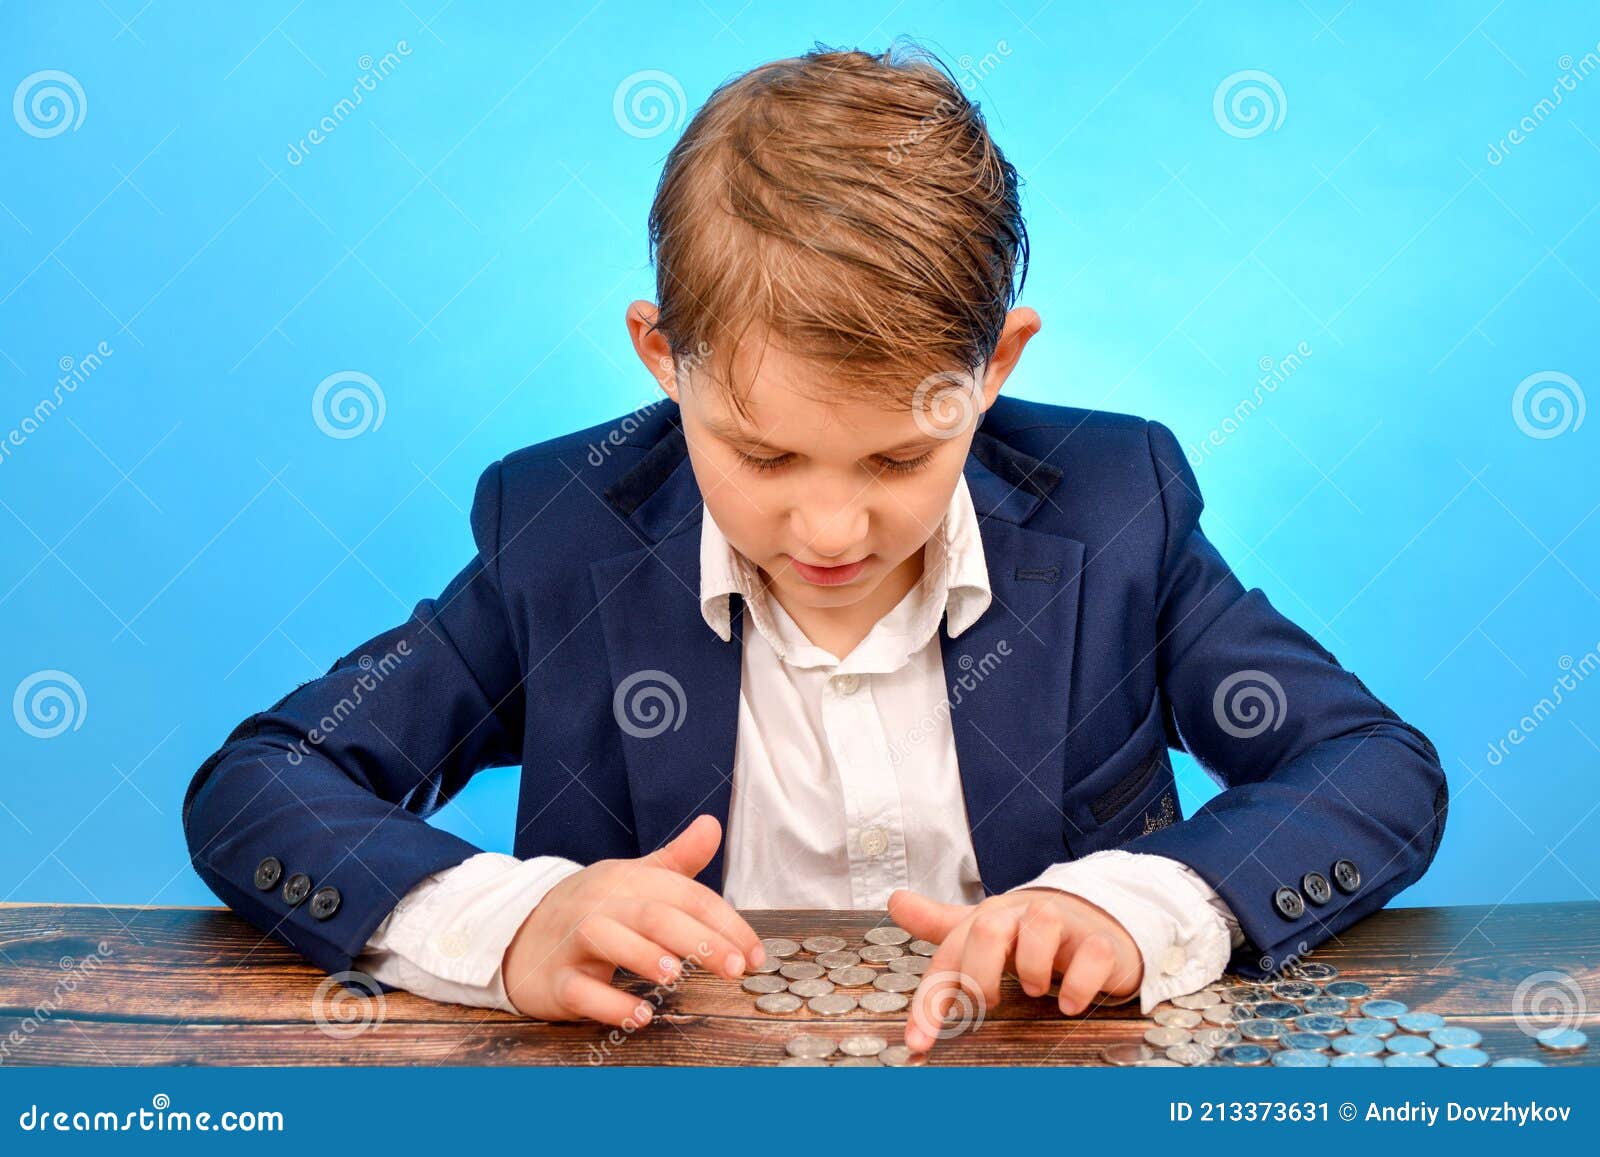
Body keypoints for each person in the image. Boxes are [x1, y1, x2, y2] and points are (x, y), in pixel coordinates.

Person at [183, 41, 1447, 1057]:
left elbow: (1370, 762)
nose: (832, 529)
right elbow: (264, 782)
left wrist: (1137, 901)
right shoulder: (558, 537)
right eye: (765, 456)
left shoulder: (1117, 509)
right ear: (658, 358)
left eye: (900, 458)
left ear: (993, 367)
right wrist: (509, 921)